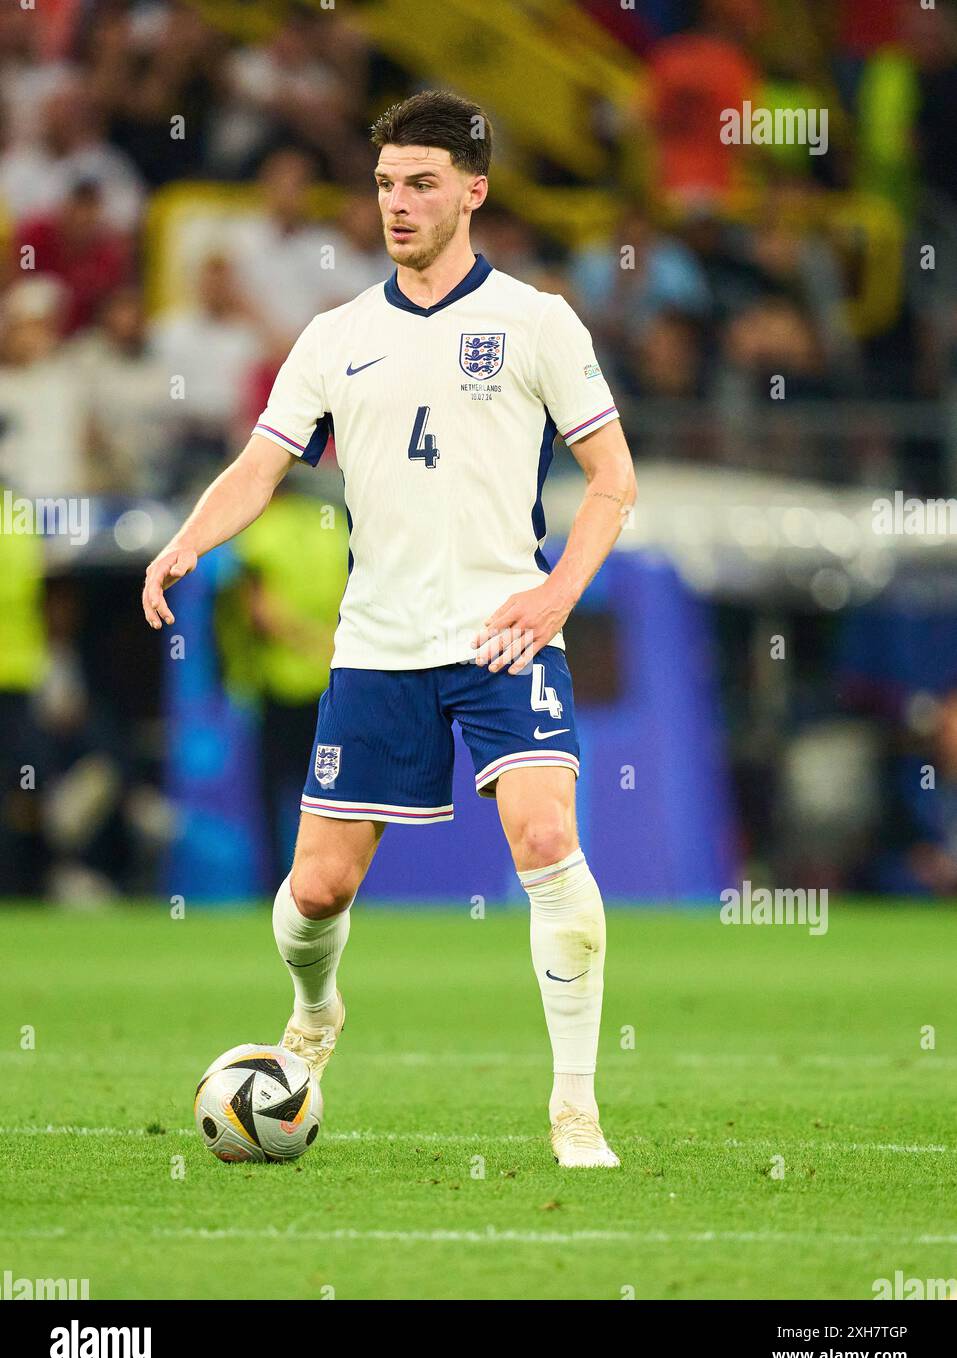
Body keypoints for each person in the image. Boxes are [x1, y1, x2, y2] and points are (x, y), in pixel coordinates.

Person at [142, 90, 636, 1169]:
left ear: (474, 190)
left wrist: (556, 596)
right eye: (383, 184)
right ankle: (314, 1009)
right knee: (316, 890)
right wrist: (189, 539)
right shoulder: (335, 337)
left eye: (420, 183)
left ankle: (574, 1108)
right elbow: (260, 466)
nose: (397, 204)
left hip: (504, 633)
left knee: (546, 839)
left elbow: (612, 479)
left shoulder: (538, 322)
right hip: (377, 647)